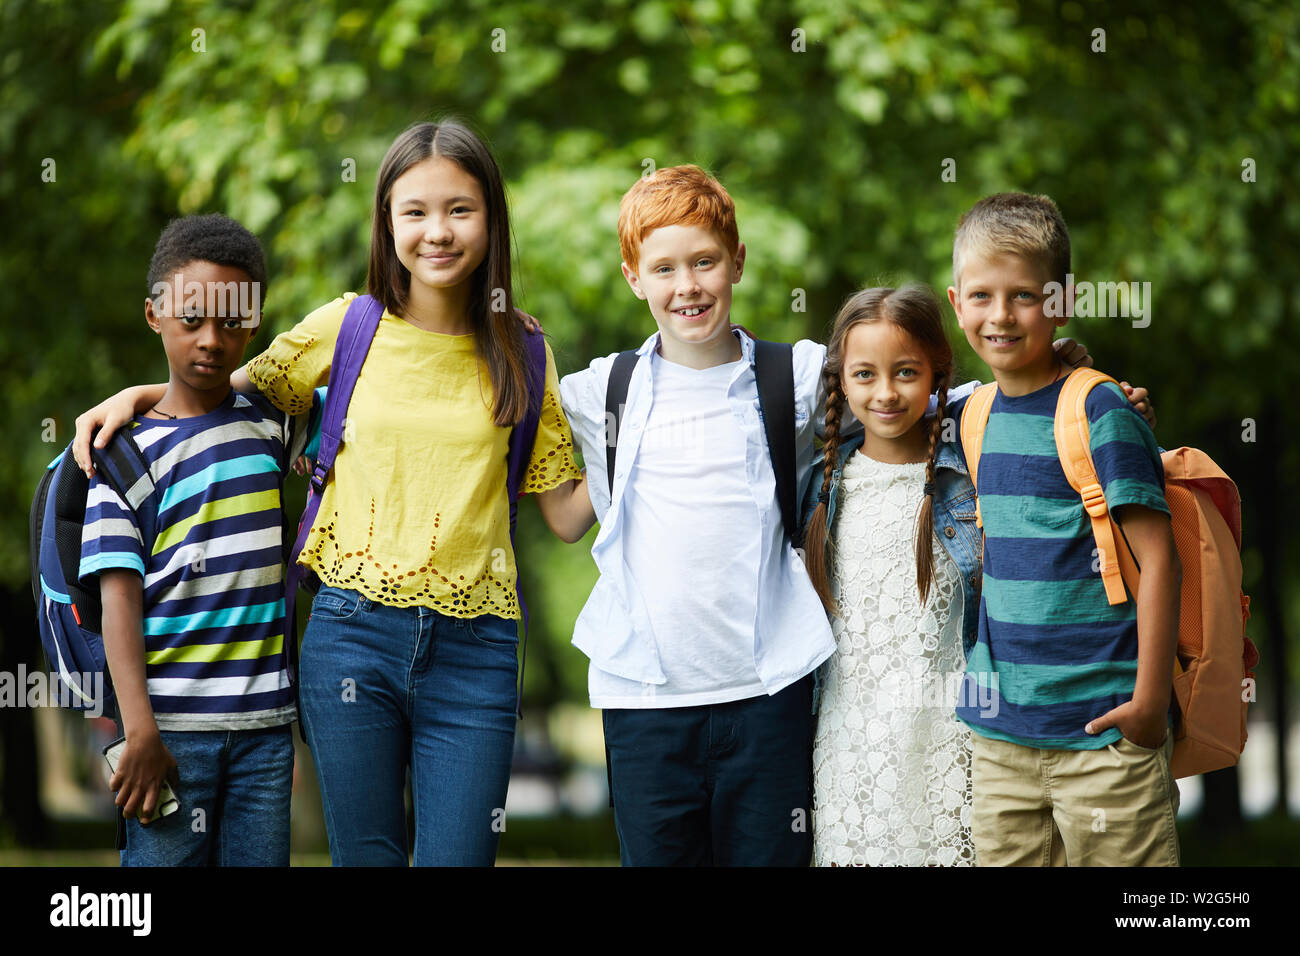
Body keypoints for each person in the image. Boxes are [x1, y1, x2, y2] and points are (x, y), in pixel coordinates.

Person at [74, 120, 594, 866]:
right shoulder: (346, 326)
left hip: (476, 649)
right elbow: (219, 393)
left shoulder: (525, 353)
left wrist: (644, 443)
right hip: (352, 636)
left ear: (491, 220)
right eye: (414, 211)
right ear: (386, 221)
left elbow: (569, 517)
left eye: (460, 210)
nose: (437, 232)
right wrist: (137, 394)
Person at [945, 192, 1181, 866]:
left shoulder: (1100, 408)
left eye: (1023, 296)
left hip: (1106, 737)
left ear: (1061, 301)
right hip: (1002, 743)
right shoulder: (972, 415)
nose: (1000, 315)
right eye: (982, 296)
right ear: (956, 301)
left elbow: (1160, 563)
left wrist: (1147, 707)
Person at [80, 213, 296, 865]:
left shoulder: (274, 422)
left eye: (232, 323)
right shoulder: (122, 456)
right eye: (191, 319)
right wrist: (137, 726)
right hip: (169, 735)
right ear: (153, 316)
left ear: (254, 323)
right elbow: (119, 597)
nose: (211, 340)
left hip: (266, 733)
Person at [800, 284, 982, 867]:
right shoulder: (822, 487)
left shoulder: (970, 467)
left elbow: (1038, 401)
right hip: (850, 749)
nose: (885, 392)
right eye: (864, 375)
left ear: (936, 374)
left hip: (954, 746)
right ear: (841, 381)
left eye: (906, 372)